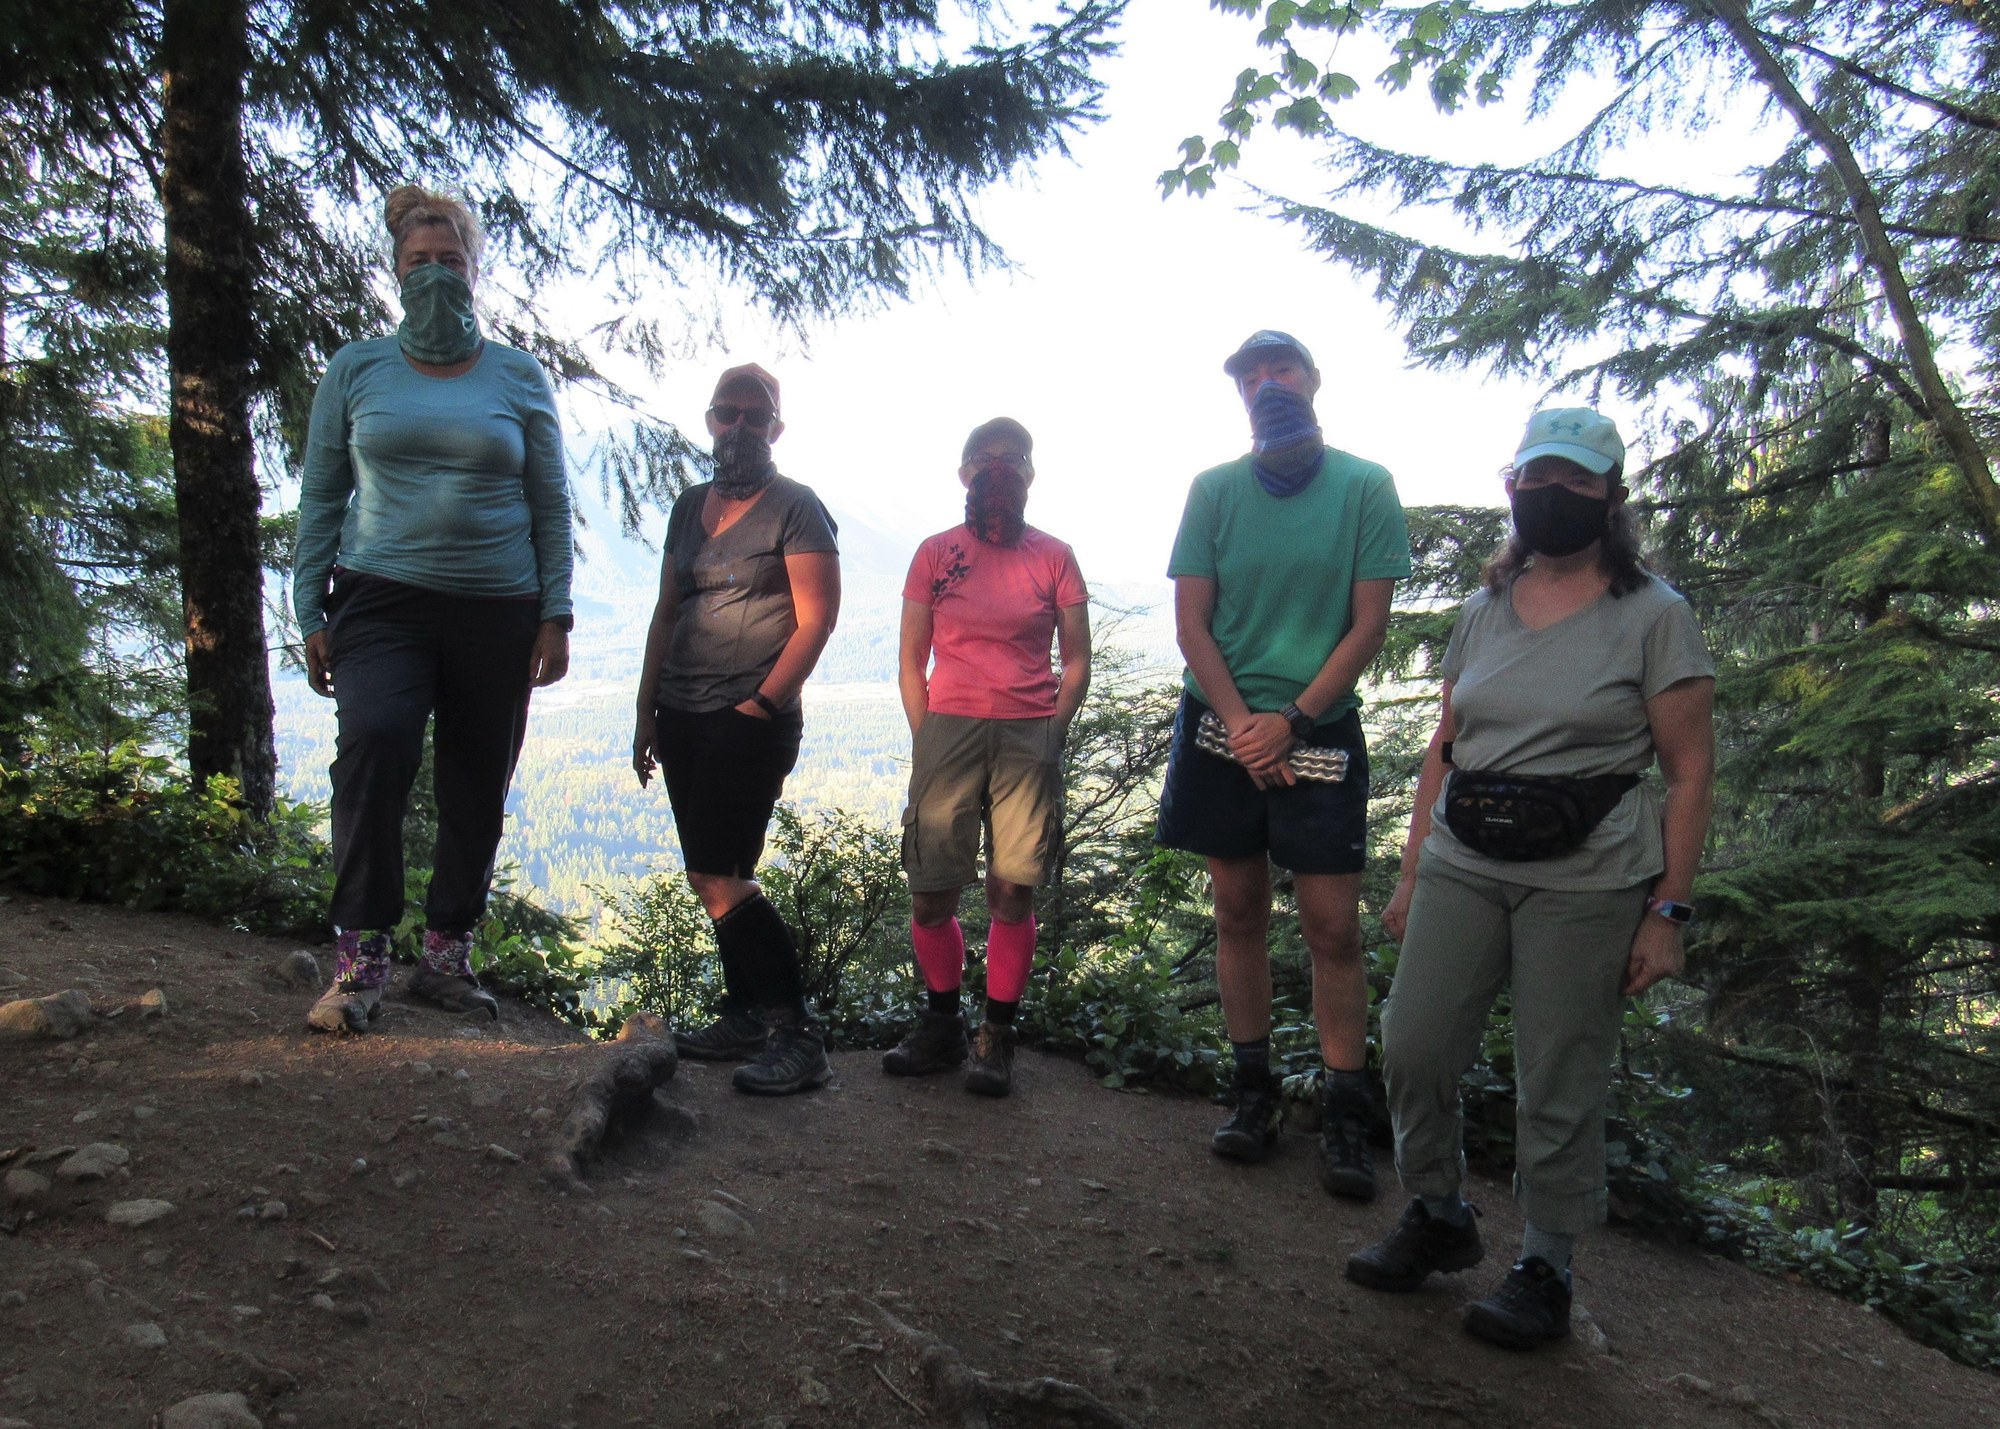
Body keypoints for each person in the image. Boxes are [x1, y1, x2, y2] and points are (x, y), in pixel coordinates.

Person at [1344, 408, 1715, 1350]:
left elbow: (1688, 771)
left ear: (1611, 497)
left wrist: (1667, 909)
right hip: (1464, 859)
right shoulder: (1484, 608)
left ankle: (1546, 1264)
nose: (1554, 496)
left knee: (1559, 1072)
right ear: (1513, 486)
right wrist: (1411, 867)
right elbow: (1447, 743)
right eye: (1538, 477)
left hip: (1589, 876)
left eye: (1579, 482)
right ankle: (1437, 1212)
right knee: (1416, 1042)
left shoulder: (1655, 616)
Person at [293, 185, 574, 1035]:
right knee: (374, 741)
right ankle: (363, 957)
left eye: (451, 261)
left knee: (477, 777)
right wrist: (310, 606)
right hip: (381, 597)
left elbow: (549, 501)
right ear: (395, 269)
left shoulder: (518, 376)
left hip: (498, 604)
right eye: (420, 262)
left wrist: (555, 612)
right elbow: (321, 495)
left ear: (477, 271)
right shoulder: (357, 369)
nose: (436, 275)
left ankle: (446, 953)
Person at [1157, 330, 1412, 1198]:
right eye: (1252, 376)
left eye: (1283, 370)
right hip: (1223, 722)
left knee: (1332, 925)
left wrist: (1293, 720)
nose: (1268, 385)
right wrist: (1245, 725)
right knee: (1237, 910)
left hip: (1321, 727)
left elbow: (1367, 624)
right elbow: (1192, 623)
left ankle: (1346, 1108)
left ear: (1314, 380)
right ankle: (1252, 1090)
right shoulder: (1214, 489)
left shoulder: (1366, 487)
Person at [632, 364, 841, 1096]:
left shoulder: (796, 508)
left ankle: (796, 1033)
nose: (742, 426)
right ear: (711, 419)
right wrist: (644, 708)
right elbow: (667, 611)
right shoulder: (689, 507)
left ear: (776, 427)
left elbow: (817, 619)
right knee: (716, 873)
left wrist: (762, 703)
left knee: (717, 875)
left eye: (758, 415)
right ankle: (748, 1012)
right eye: (730, 413)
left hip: (748, 717)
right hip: (681, 711)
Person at [882, 418, 1091, 1097]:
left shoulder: (1055, 555)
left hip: (1027, 728)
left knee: (1013, 888)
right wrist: (927, 733)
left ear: (1030, 475)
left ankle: (996, 1035)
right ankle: (943, 1022)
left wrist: (1051, 730)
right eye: (986, 459)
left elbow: (1077, 656)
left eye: (1014, 460)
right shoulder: (936, 553)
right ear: (965, 471)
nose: (1000, 469)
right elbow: (913, 657)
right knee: (931, 892)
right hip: (949, 726)